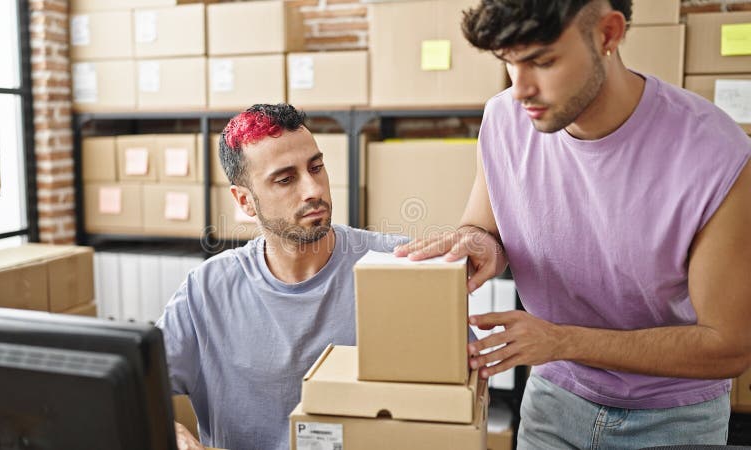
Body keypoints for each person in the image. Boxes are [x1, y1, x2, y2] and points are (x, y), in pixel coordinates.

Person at [396, 0, 751, 448]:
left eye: (542, 62)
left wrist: (562, 341)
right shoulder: (504, 118)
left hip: (673, 415)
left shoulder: (716, 153)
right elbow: (482, 226)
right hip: (553, 402)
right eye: (508, 62)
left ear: (607, 34)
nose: (520, 88)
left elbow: (728, 347)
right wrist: (477, 242)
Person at [157, 104, 406, 450]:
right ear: (245, 201)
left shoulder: (397, 266)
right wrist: (169, 434)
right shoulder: (207, 291)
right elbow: (134, 392)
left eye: (316, 168)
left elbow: (462, 389)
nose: (313, 190)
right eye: (286, 179)